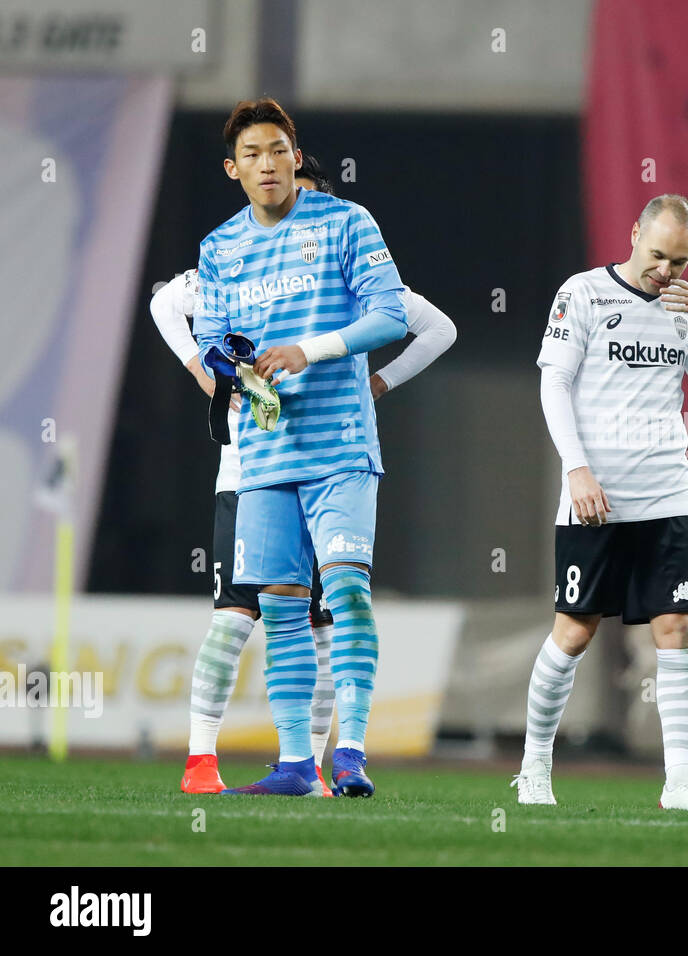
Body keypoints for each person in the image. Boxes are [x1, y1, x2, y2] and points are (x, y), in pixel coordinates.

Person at [156, 155, 456, 796]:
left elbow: (434, 325)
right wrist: (207, 375)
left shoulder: (345, 265)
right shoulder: (233, 261)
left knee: (329, 617)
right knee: (240, 615)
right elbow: (167, 303)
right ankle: (202, 759)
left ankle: (318, 763)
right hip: (249, 468)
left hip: (329, 457)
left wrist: (378, 381)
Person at [193, 98, 408, 797]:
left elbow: (391, 315)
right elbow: (213, 343)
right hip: (264, 452)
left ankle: (348, 751)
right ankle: (295, 765)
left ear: (294, 155)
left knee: (346, 590)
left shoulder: (347, 223)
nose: (265, 163)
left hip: (340, 445)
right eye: (250, 154)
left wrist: (307, 350)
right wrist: (235, 369)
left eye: (277, 149)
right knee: (283, 609)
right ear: (233, 168)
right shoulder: (219, 248)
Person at [512, 194, 688, 810]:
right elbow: (553, 382)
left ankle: (681, 779)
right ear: (635, 232)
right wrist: (577, 470)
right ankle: (533, 768)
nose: (665, 271)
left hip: (665, 492)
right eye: (658, 255)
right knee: (575, 630)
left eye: (680, 261)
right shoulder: (583, 293)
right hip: (596, 496)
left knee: (676, 627)